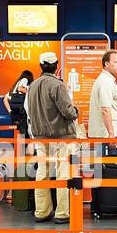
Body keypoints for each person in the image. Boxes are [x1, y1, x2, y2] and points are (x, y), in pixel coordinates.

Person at [24, 51, 78, 224]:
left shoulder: (32, 86)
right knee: (63, 172)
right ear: (56, 66)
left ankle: (42, 211)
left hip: (40, 135)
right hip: (61, 135)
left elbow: (28, 111)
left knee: (42, 172)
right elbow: (68, 111)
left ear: (41, 66)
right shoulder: (57, 85)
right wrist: (76, 111)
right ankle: (62, 213)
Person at [88, 49, 117, 154]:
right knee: (109, 167)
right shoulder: (106, 82)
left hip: (105, 134)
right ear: (106, 64)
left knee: (103, 167)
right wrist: (111, 134)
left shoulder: (106, 80)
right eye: (116, 62)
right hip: (107, 135)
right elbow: (105, 109)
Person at [3, 68, 34, 138]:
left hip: (14, 114)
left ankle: (19, 149)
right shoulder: (25, 79)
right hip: (22, 113)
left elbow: (5, 99)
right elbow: (20, 88)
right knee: (24, 134)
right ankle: (24, 149)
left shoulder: (14, 87)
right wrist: (31, 94)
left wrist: (10, 111)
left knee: (19, 135)